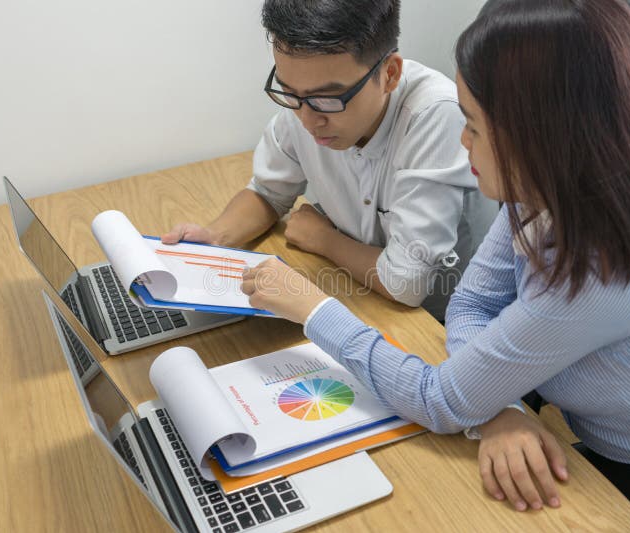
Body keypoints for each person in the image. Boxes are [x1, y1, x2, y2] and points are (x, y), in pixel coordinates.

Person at [239, 0, 630, 531]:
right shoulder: (541, 194)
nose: (463, 145)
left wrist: (313, 307)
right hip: (615, 455)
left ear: (542, 137)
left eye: (474, 127)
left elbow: (436, 399)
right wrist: (495, 405)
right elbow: (473, 302)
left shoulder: (602, 269)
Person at [162, 0, 497, 321]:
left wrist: (324, 239)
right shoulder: (306, 101)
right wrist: (215, 238)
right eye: (289, 91)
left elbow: (405, 283)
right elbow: (268, 193)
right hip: (356, 293)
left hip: (434, 324)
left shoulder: (436, 115)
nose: (308, 120)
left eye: (328, 99)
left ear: (391, 74)